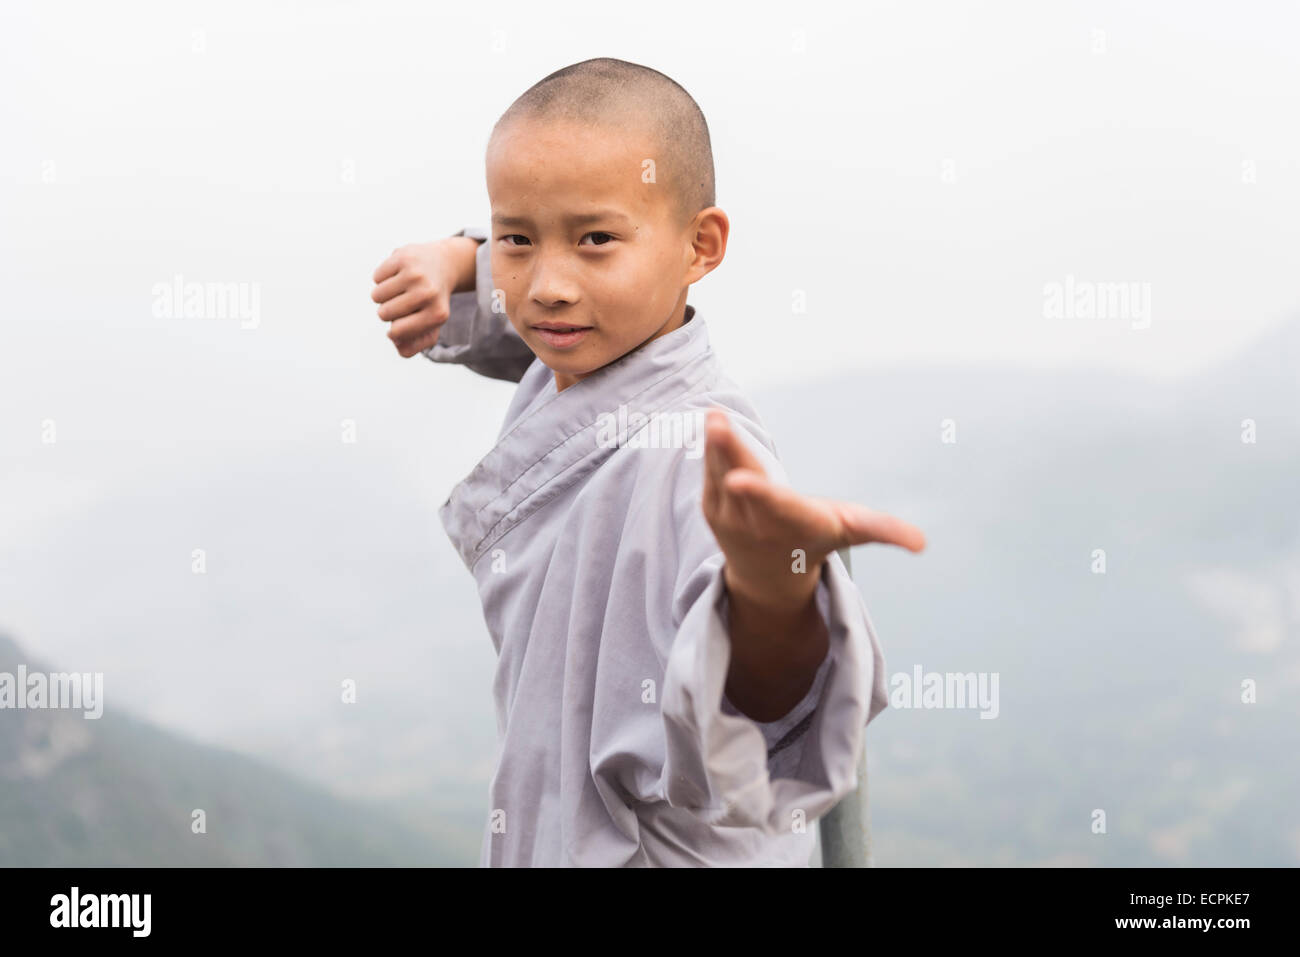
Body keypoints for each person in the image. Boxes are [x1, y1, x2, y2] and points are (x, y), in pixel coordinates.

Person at [370, 57, 926, 867]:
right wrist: (457, 260)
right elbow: (530, 315)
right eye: (517, 238)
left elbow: (767, 708)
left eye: (596, 239)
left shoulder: (691, 458)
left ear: (701, 245)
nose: (548, 286)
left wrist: (775, 589)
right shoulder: (587, 357)